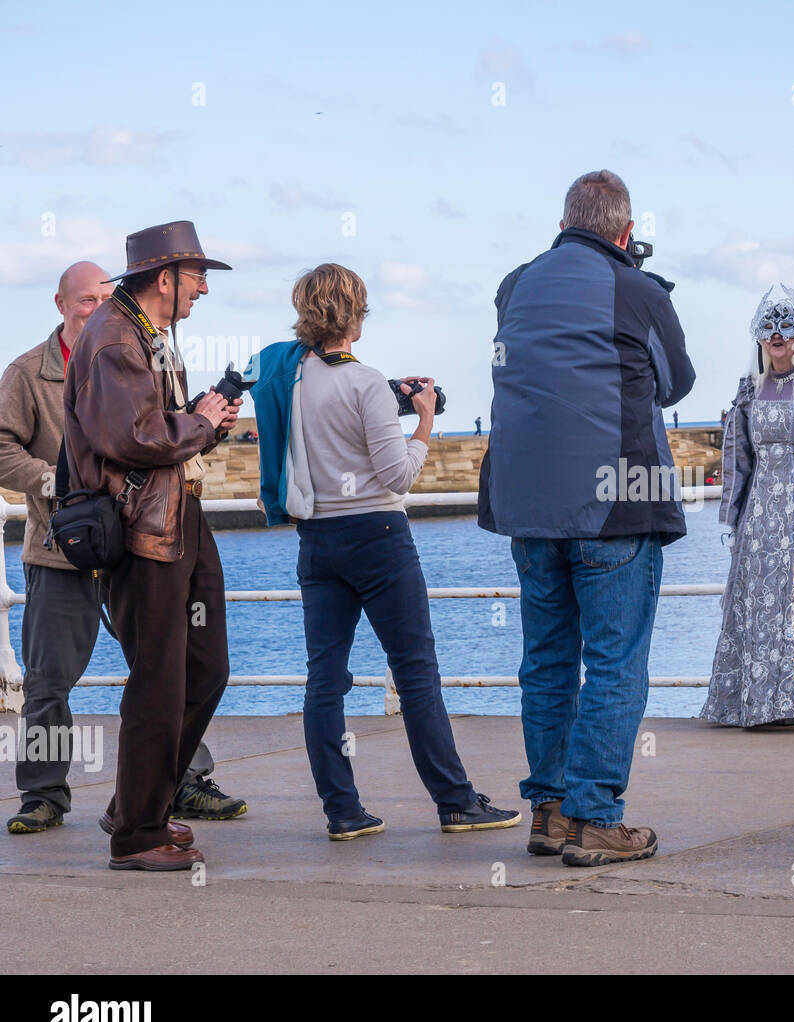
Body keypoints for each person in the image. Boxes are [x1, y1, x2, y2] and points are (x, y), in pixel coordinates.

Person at [249, 263, 518, 840]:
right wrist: (422, 421)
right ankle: (455, 802)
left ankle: (342, 811)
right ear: (357, 316)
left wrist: (387, 394)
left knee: (325, 678)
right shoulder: (364, 380)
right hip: (378, 537)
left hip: (317, 540)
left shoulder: (290, 376)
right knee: (416, 673)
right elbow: (396, 476)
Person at [480, 169, 694, 866]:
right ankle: (594, 817)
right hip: (616, 502)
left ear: (566, 219)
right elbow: (678, 381)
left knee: (545, 660)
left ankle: (548, 811)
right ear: (625, 233)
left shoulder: (516, 285)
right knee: (614, 662)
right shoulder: (636, 289)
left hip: (527, 505)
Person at [1, 262, 245, 835]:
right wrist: (54, 482)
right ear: (61, 304)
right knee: (48, 680)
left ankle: (178, 783)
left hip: (136, 535)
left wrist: (211, 423)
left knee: (163, 669)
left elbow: (164, 429)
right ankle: (42, 795)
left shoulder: (153, 348)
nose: (96, 309)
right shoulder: (27, 374)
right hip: (65, 544)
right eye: (85, 300)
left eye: (104, 298)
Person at [64, 222, 243, 870]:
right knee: (159, 682)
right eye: (198, 276)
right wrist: (200, 420)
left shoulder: (143, 332)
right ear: (164, 277)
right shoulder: (114, 337)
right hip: (146, 532)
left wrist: (204, 421)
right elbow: (135, 436)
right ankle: (137, 834)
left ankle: (140, 801)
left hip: (173, 520)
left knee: (202, 669)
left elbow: (151, 433)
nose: (202, 289)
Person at [701, 284, 794, 727]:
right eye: (769, 330)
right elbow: (738, 455)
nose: (777, 336)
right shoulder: (749, 389)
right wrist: (734, 514)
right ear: (759, 339)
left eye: (787, 328)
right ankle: (752, 701)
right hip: (760, 510)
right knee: (757, 599)